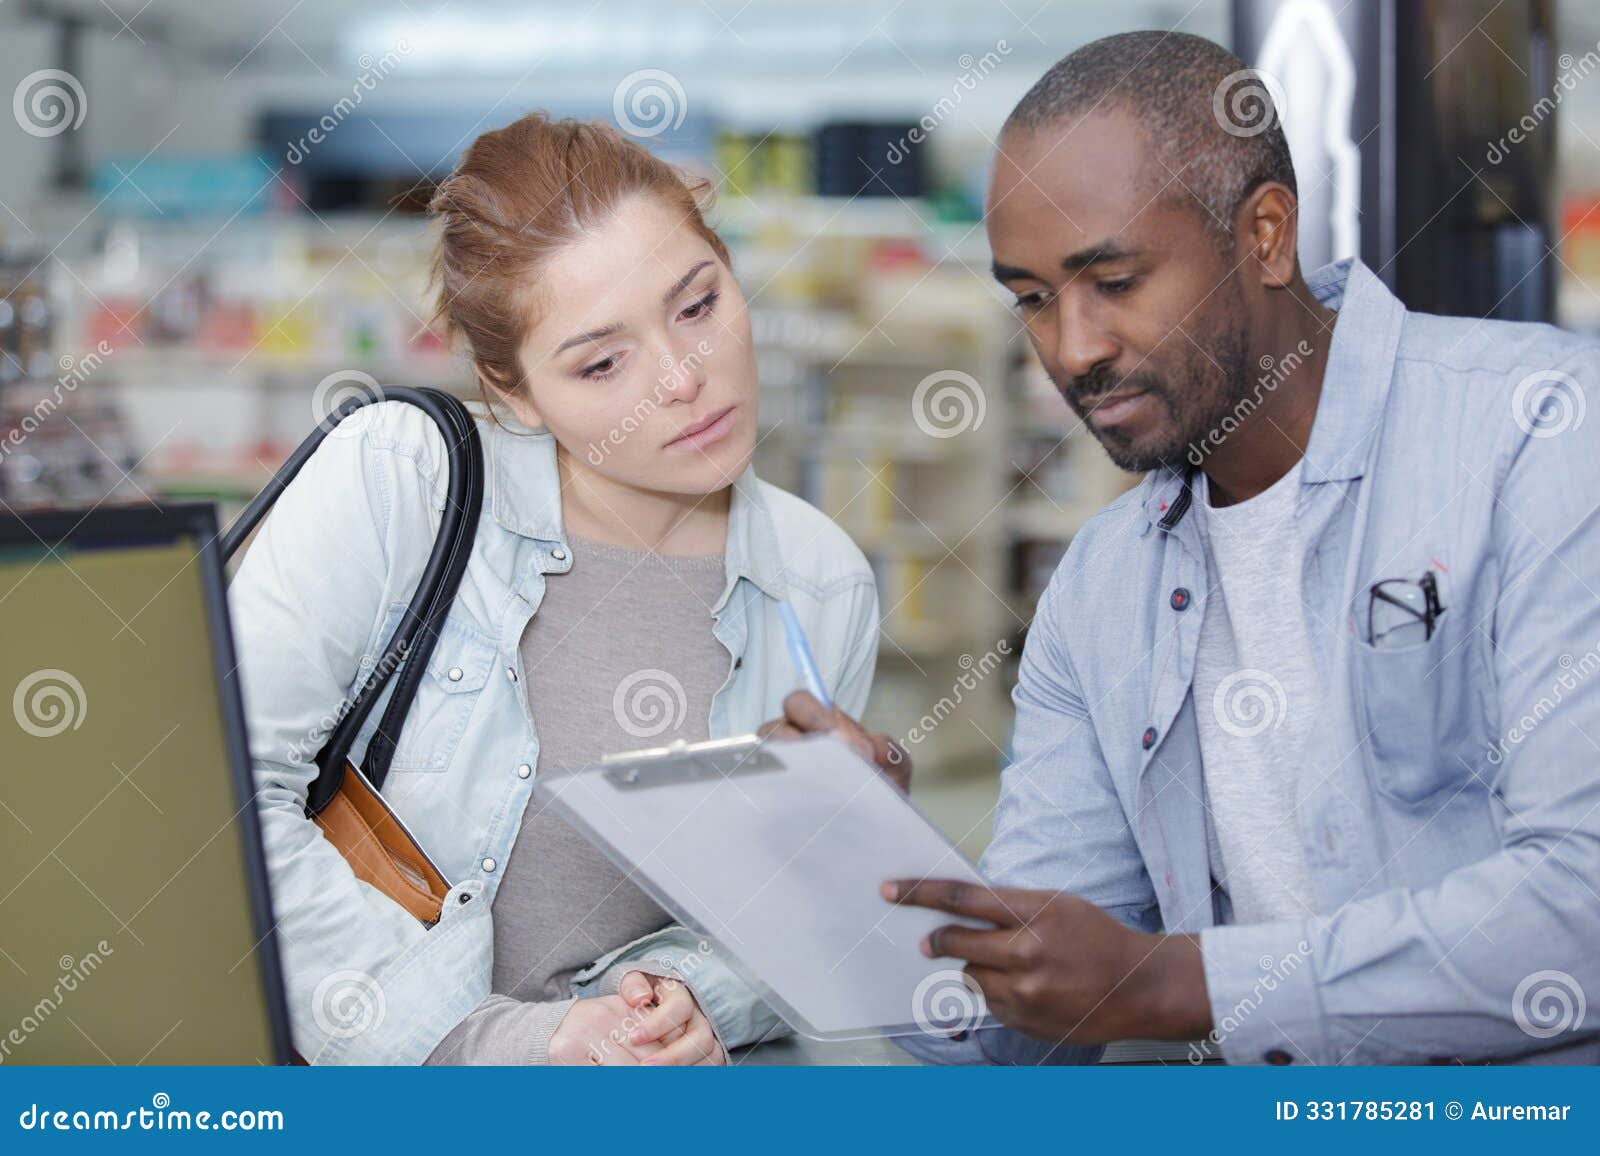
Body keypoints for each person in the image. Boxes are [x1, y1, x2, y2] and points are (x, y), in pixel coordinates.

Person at [772, 30, 1600, 1064]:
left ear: (1263, 234)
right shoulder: (1101, 585)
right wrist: (864, 856)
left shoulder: (1540, 432)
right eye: (1031, 299)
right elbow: (1007, 1038)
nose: (1072, 349)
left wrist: (1174, 982)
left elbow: (1581, 912)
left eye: (1112, 280)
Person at [230, 112, 881, 1065]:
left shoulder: (821, 584)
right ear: (516, 389)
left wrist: (702, 1000)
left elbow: (784, 910)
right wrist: (481, 1044)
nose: (684, 379)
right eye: (603, 361)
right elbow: (220, 802)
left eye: (699, 306)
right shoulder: (402, 479)